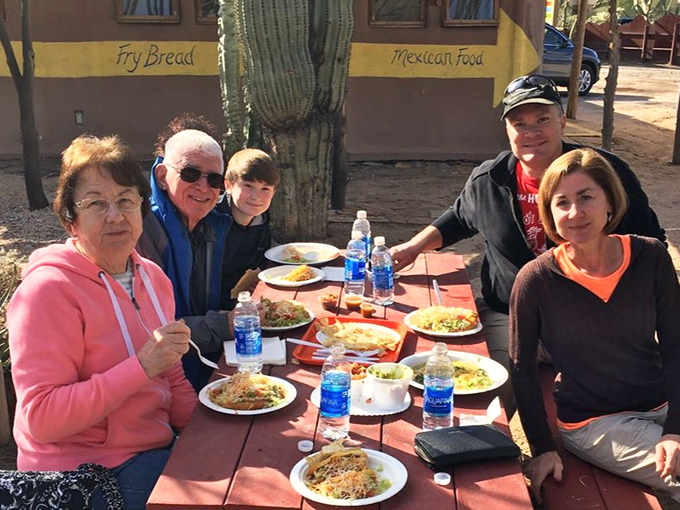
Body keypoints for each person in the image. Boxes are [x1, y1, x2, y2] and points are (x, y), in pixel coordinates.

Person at [389, 74, 664, 375]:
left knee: (606, 395)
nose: (531, 131)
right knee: (486, 382)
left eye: (542, 119)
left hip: (595, 317)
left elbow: (650, 246)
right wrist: (414, 247)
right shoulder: (490, 180)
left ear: (561, 122)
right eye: (519, 123)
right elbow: (460, 216)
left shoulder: (604, 174)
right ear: (507, 130)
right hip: (509, 315)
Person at [7, 134, 198, 510]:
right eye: (96, 203)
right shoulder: (47, 291)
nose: (115, 215)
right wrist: (142, 366)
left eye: (126, 200)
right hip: (78, 473)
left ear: (142, 208)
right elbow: (42, 417)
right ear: (70, 220)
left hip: (150, 449)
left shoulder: (153, 278)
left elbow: (171, 376)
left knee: (245, 469)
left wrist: (212, 434)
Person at [509, 148, 680, 503]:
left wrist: (675, 429)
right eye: (562, 203)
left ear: (610, 203)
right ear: (549, 213)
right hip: (595, 423)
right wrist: (542, 447)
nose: (576, 213)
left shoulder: (650, 257)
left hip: (662, 403)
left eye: (586, 197)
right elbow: (522, 369)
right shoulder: (535, 280)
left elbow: (676, 343)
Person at [137, 129, 233, 390]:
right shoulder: (140, 232)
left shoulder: (211, 225)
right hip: (157, 387)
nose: (203, 187)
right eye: (190, 173)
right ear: (162, 176)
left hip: (200, 371)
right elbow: (149, 328)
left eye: (214, 179)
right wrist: (223, 325)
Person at [217, 148, 279, 310]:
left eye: (265, 189)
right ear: (228, 185)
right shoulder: (210, 221)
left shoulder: (262, 221)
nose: (256, 196)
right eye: (248, 185)